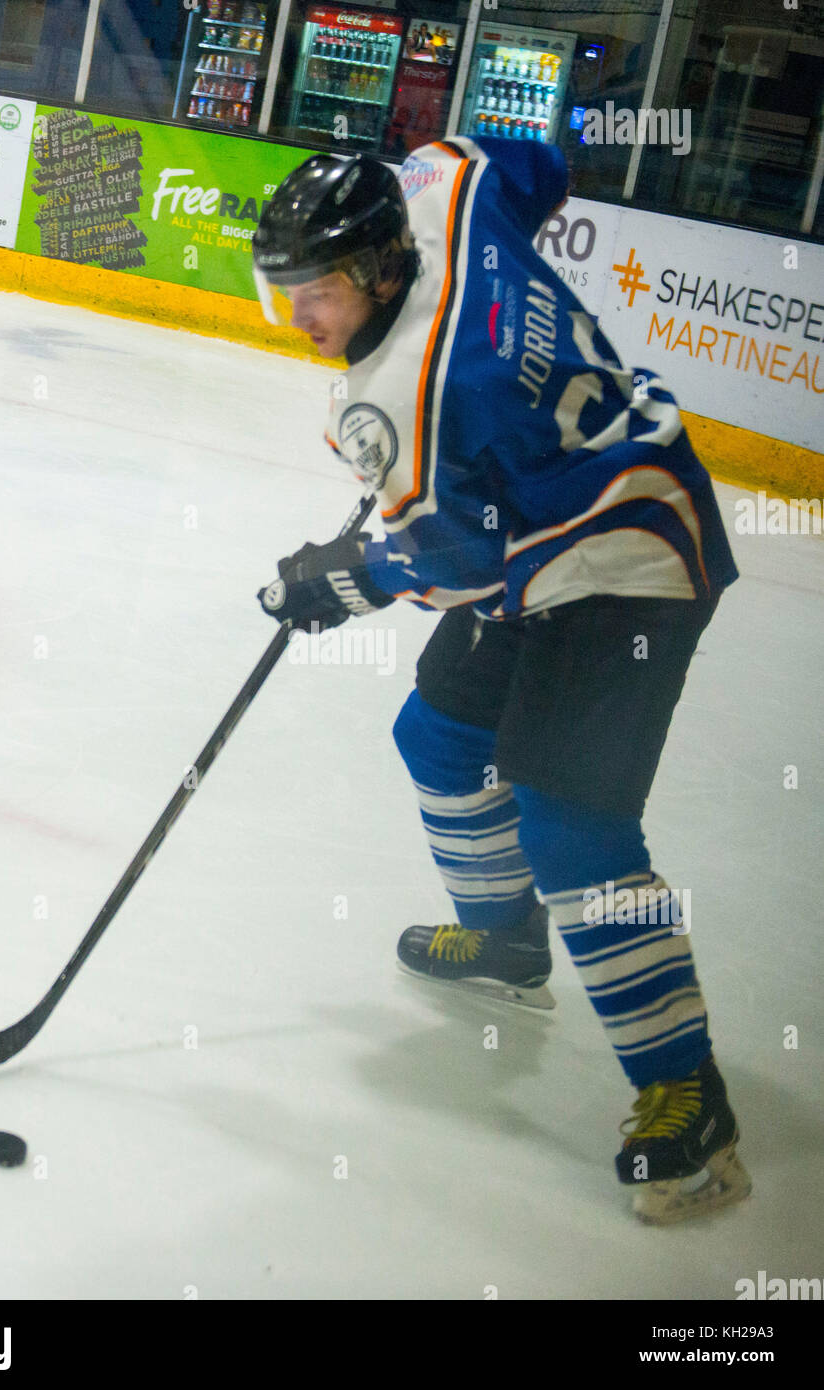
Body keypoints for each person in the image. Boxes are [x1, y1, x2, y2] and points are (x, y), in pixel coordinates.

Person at [251, 138, 751, 1225]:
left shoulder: (403, 405)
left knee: (569, 822)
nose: (298, 320)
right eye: (281, 292)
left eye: (317, 296)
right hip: (538, 528)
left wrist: (350, 575)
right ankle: (511, 939)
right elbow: (536, 166)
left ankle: (686, 1096)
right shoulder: (445, 187)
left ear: (380, 271)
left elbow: (459, 563)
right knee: (436, 739)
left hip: (628, 561)